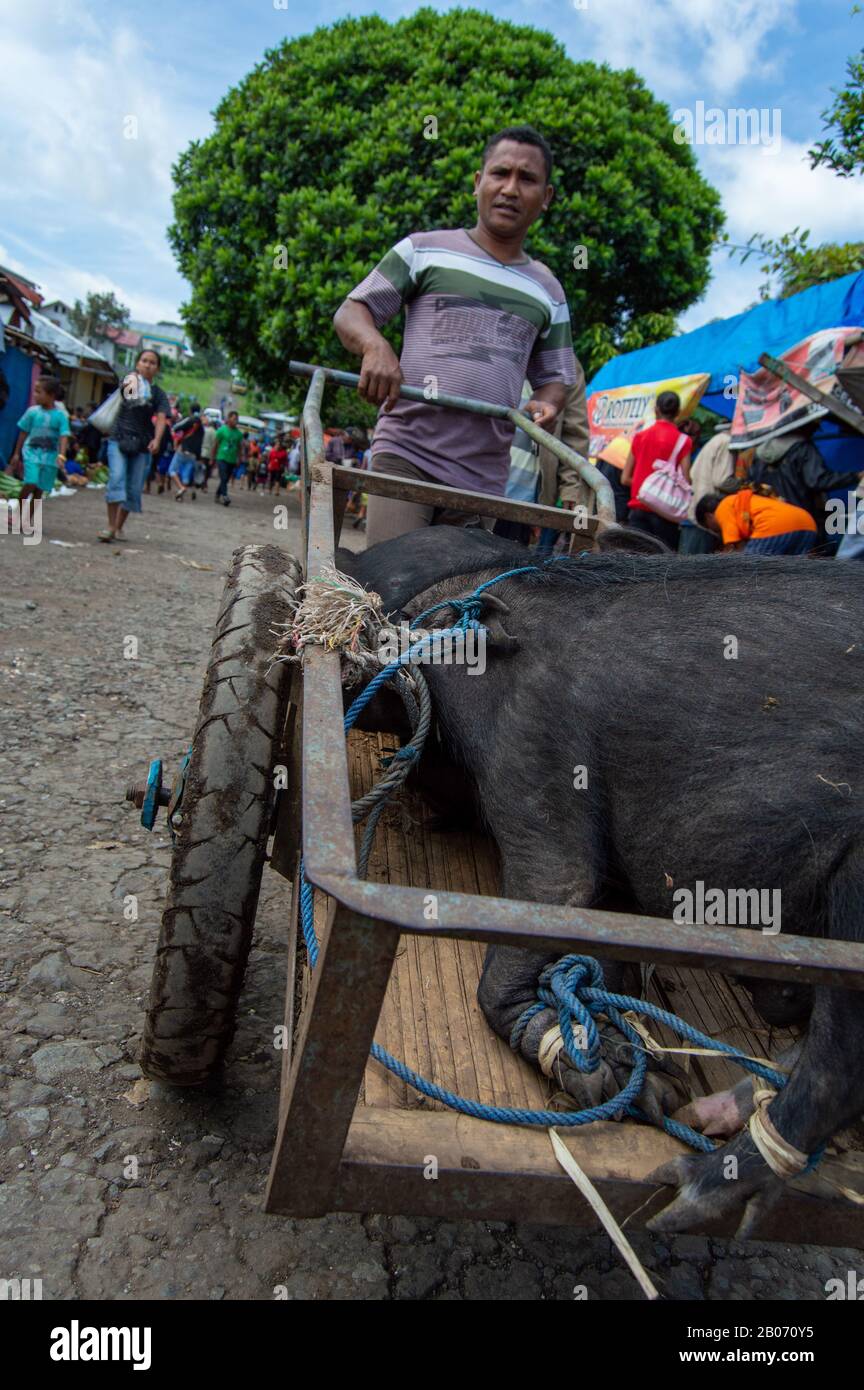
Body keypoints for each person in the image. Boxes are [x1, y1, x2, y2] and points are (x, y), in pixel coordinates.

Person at [333, 124, 577, 545]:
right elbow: (351, 311)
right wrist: (375, 345)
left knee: (453, 605)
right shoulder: (423, 250)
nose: (511, 189)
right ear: (478, 182)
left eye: (528, 179)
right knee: (390, 586)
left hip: (483, 477)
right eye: (500, 174)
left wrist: (548, 404)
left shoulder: (548, 290)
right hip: (406, 452)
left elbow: (556, 378)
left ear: (547, 198)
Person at [747, 423, 862, 538]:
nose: (814, 431)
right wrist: (856, 476)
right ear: (804, 426)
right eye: (814, 427)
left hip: (769, 517)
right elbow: (817, 480)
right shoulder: (803, 448)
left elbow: (753, 483)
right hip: (802, 517)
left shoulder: (759, 452)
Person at [100, 349, 168, 542]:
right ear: (137, 363)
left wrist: (157, 439)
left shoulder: (158, 394)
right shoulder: (129, 382)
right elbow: (128, 396)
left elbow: (162, 418)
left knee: (134, 488)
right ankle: (110, 527)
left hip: (141, 445)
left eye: (152, 362)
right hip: (118, 439)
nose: (147, 365)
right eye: (144, 361)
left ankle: (119, 527)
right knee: (116, 478)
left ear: (157, 368)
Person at [620, 390, 692, 548]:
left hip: (638, 509)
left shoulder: (640, 436)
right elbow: (686, 480)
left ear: (656, 409)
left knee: (634, 563)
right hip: (666, 514)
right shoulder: (684, 441)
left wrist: (647, 488)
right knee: (662, 566)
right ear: (678, 412)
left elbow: (625, 479)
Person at [696, 483, 817, 555]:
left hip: (775, 526)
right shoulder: (742, 501)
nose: (713, 531)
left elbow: (734, 549)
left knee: (749, 569)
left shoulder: (722, 509)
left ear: (708, 516)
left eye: (708, 527)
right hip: (807, 523)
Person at [8, 375, 70, 516]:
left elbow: (64, 436)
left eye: (38, 391)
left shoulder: (60, 416)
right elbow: (23, 432)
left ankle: (27, 518)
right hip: (31, 453)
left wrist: (62, 455)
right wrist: (17, 453)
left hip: (51, 458)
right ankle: (18, 513)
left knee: (39, 489)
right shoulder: (32, 412)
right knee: (31, 482)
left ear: (51, 395)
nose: (35, 395)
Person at [679, 420, 735, 555]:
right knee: (696, 571)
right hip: (704, 519)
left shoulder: (715, 441)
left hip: (694, 516)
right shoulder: (726, 442)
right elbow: (722, 481)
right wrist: (746, 486)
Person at [213, 410, 243, 506]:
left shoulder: (239, 434)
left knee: (225, 479)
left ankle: (218, 494)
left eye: (237, 419)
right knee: (223, 477)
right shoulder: (221, 430)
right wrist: (212, 458)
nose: (236, 421)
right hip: (221, 457)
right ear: (229, 419)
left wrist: (239, 458)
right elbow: (216, 444)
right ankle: (225, 496)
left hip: (232, 459)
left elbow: (239, 447)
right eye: (234, 419)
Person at [200, 416, 217, 491]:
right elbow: (215, 445)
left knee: (202, 468)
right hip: (210, 454)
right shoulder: (215, 433)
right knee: (208, 470)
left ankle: (200, 481)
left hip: (203, 451)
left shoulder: (205, 430)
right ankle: (204, 483)